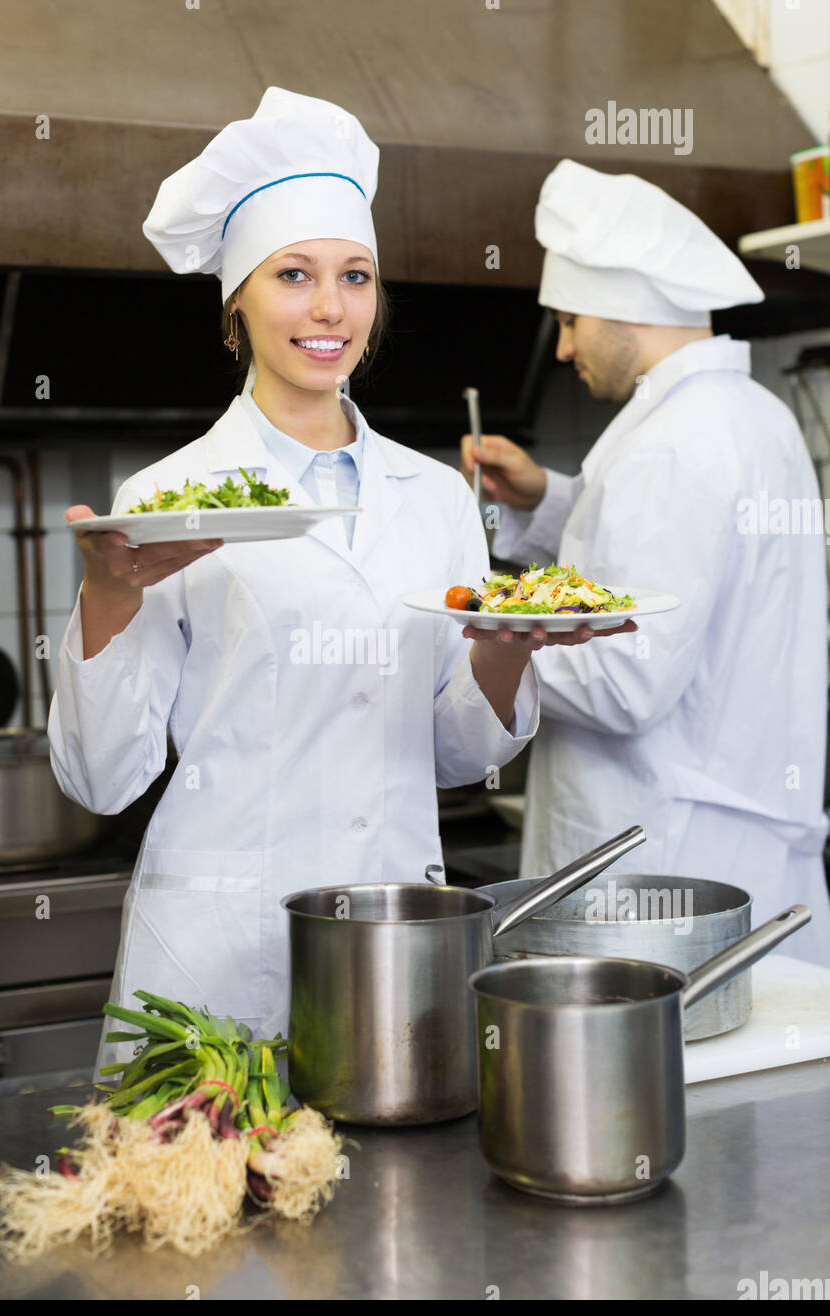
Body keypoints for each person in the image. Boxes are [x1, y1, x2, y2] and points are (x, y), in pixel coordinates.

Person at [48, 93, 632, 1071]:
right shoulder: (165, 500)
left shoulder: (436, 498)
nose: (330, 308)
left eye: (353, 276)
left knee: (390, 1213)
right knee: (210, 1209)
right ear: (236, 297)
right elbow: (104, 779)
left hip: (393, 942)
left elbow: (454, 752)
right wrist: (109, 598)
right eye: (293, 275)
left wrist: (498, 648)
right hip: (216, 958)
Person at [461, 158, 830, 965]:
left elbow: (626, 680)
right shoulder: (744, 414)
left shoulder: (672, 445)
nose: (562, 349)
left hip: (667, 872)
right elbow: (668, 578)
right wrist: (542, 503)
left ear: (623, 309)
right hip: (727, 843)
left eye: (568, 321)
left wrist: (471, 641)